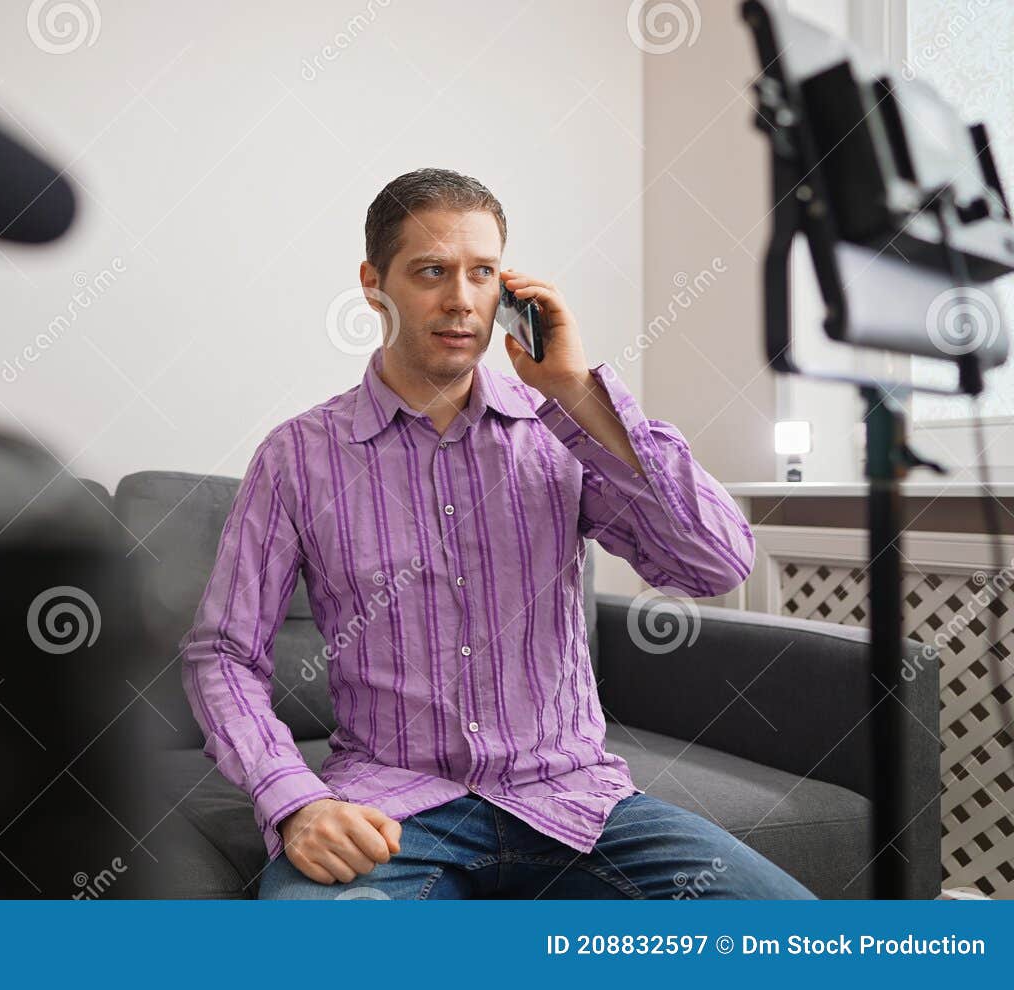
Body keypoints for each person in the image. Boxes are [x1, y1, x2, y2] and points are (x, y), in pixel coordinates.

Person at [178, 167, 813, 899]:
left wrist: (576, 393)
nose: (461, 300)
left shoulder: (562, 435)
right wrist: (295, 799)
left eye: (482, 273)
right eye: (431, 272)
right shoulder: (299, 456)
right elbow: (221, 654)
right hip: (393, 811)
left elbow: (717, 561)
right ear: (372, 282)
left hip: (576, 807)